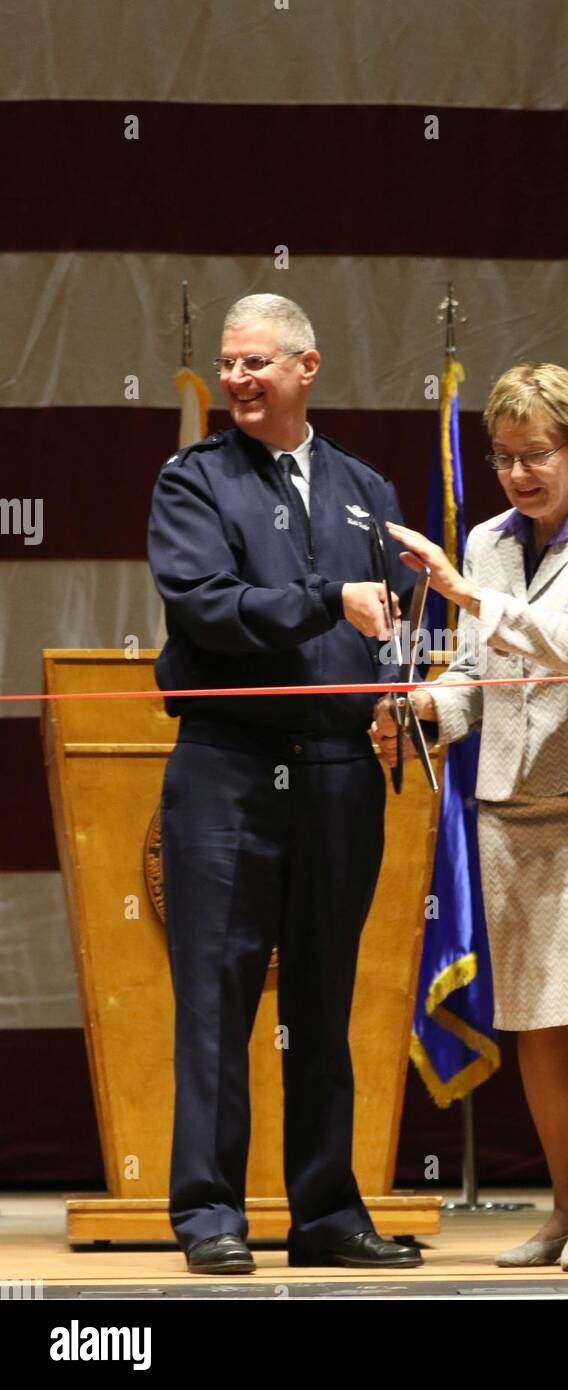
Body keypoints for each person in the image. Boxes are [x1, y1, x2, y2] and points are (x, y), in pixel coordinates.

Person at [374, 362, 568, 1271]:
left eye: (535, 454)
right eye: (503, 457)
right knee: (540, 1018)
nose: (517, 474)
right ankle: (556, 1210)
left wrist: (470, 599)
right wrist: (424, 708)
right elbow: (480, 674)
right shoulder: (488, 542)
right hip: (514, 802)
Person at [148, 293, 421, 1272]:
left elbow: (397, 616)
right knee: (216, 1002)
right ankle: (210, 1212)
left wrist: (402, 690)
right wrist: (323, 599)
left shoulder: (366, 489)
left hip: (342, 775)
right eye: (228, 364)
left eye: (256, 362)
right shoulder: (193, 481)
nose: (236, 380)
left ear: (308, 367)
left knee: (323, 999)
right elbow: (204, 606)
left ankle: (325, 1213)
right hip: (226, 771)